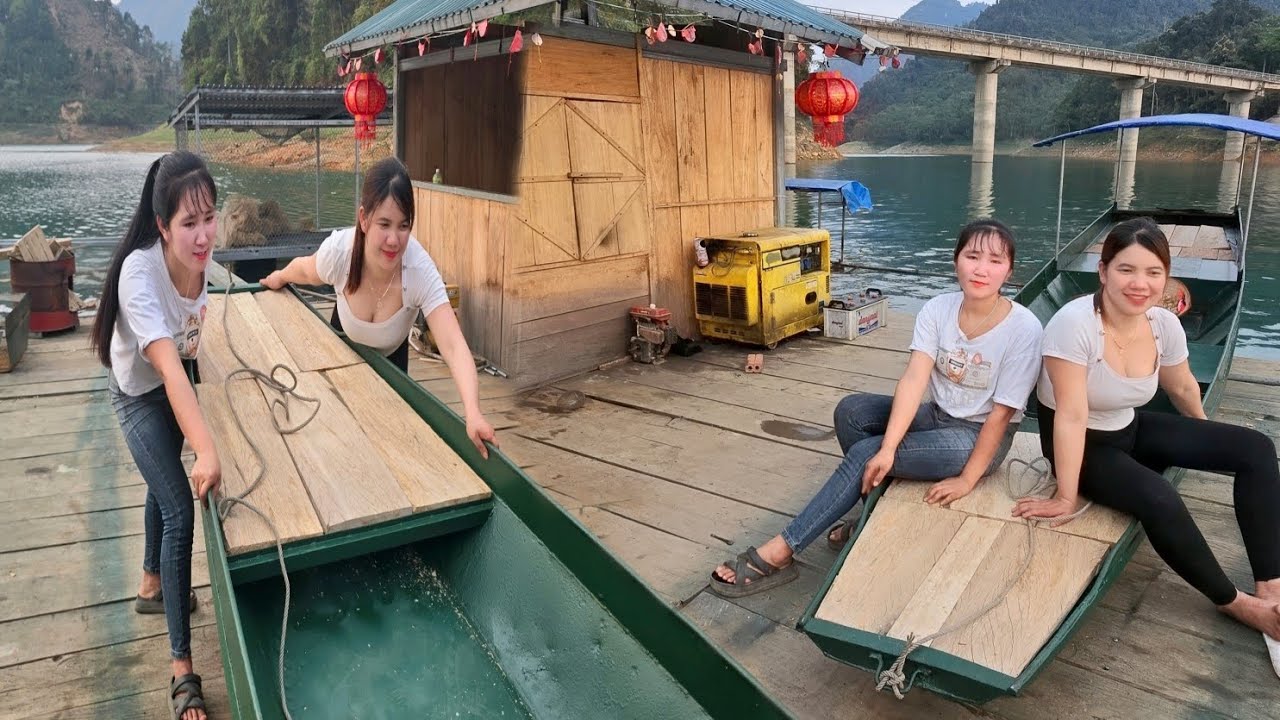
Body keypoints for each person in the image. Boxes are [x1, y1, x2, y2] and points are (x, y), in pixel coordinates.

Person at [710, 219, 1044, 597]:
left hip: (977, 437)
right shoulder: (938, 309)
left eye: (995, 261)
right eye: (972, 256)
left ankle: (783, 549)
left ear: (1010, 271)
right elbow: (915, 380)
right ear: (956, 261)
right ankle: (869, 501)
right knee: (851, 412)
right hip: (936, 416)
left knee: (864, 452)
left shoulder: (1024, 330)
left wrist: (968, 479)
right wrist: (889, 449)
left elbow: (1001, 415)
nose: (982, 269)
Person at [1017, 217, 1280, 679]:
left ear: (1165, 277)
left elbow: (1180, 386)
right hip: (1079, 444)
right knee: (1160, 498)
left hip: (1128, 427)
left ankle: (1272, 583)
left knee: (1256, 448)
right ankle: (1233, 602)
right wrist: (1065, 492)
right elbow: (1072, 417)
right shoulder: (1073, 324)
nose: (1140, 284)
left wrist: (1206, 440)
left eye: (1153, 272)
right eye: (1126, 270)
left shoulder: (1161, 324)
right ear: (1102, 272)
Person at [90, 151, 221, 720]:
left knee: (163, 470)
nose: (202, 235)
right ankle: (181, 670)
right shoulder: (138, 274)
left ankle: (150, 585)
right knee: (179, 509)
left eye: (209, 218)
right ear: (162, 226)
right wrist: (208, 446)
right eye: (188, 224)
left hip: (166, 382)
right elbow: (168, 370)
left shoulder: (204, 266)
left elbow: (189, 354)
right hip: (134, 391)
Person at [261, 157, 498, 458]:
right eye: (384, 224)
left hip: (391, 363)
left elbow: (452, 345)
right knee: (331, 447)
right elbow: (305, 271)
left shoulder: (419, 270)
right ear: (363, 218)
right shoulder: (340, 253)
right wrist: (278, 277)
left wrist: (473, 412)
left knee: (388, 451)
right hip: (340, 351)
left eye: (403, 226)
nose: (393, 240)